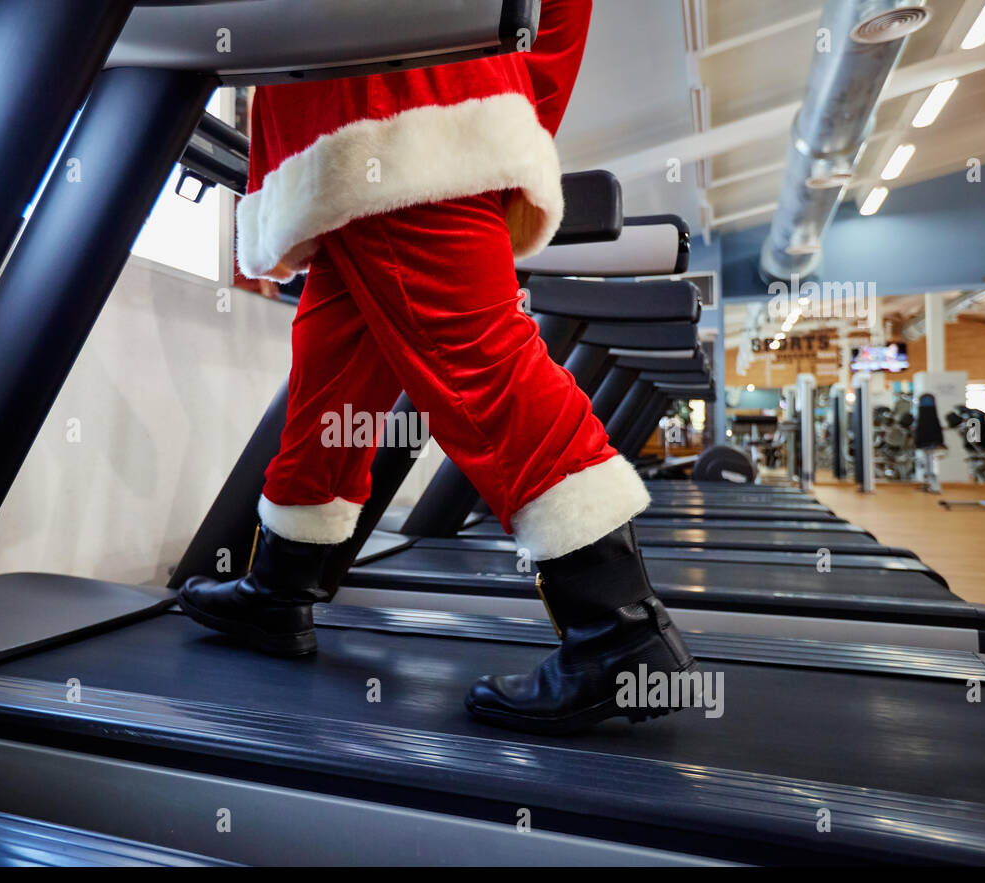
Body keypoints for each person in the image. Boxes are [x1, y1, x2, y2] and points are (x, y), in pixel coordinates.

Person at [179, 0, 695, 734]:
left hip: (385, 112)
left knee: (476, 361)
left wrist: (487, 112)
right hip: (389, 119)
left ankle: (618, 627)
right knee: (332, 375)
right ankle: (282, 586)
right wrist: (510, 109)